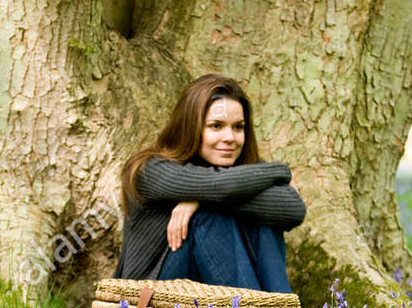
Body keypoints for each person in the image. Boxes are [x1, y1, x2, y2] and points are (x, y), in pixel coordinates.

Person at [113, 74, 305, 292]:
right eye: (216, 126)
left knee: (264, 219)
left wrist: (199, 200)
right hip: (151, 301)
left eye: (238, 127)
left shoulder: (240, 174)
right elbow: (222, 188)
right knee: (210, 216)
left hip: (213, 294)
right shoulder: (150, 169)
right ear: (190, 127)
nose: (230, 137)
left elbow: (293, 208)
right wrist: (281, 171)